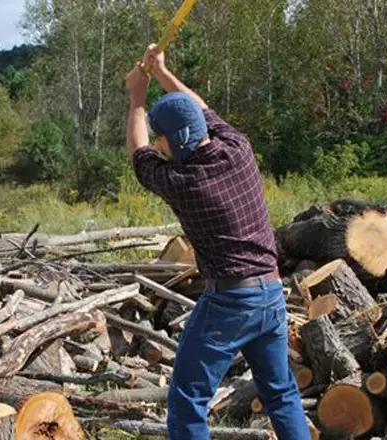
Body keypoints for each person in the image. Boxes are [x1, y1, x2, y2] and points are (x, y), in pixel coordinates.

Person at [124, 44, 312, 440]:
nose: (158, 145)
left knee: (188, 398)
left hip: (230, 301)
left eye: (163, 140)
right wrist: (162, 71)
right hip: (271, 293)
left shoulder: (184, 183)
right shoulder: (237, 147)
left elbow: (139, 155)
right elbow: (200, 108)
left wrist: (137, 98)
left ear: (174, 141)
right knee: (280, 394)